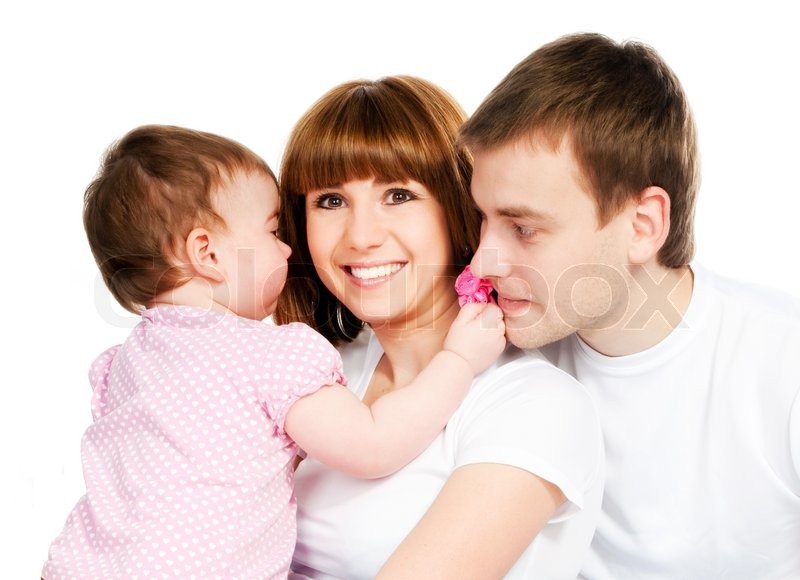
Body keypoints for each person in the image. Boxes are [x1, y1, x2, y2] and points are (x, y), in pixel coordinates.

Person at [41, 124, 507, 579]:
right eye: (271, 232)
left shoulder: (123, 365)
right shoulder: (271, 356)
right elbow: (373, 444)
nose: (287, 250)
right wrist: (460, 360)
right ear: (207, 252)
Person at [460, 32, 800, 579]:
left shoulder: (782, 362)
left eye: (524, 228)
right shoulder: (491, 355)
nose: (482, 264)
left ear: (643, 227)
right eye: (484, 218)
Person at [274, 75, 604, 579]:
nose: (361, 236)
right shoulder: (318, 370)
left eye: (399, 195)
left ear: (455, 209)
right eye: (331, 201)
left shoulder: (534, 403)